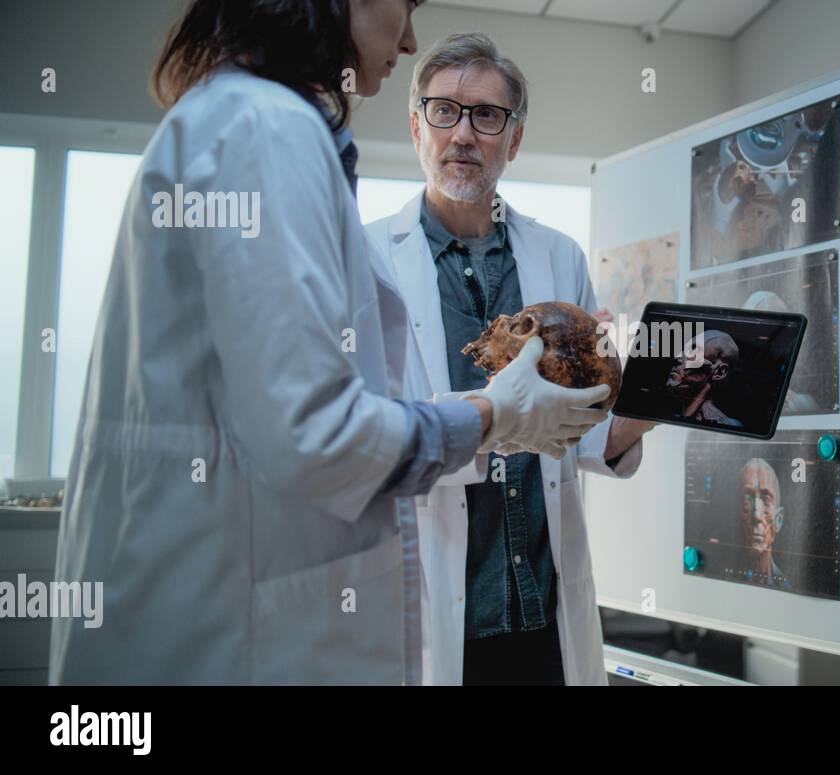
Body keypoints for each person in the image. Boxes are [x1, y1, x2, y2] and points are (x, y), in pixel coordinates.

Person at [49, 0, 607, 686]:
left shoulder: (246, 121)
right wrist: (494, 415)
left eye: (487, 116)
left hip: (254, 604)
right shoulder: (264, 131)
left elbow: (295, 417)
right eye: (405, 6)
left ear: (513, 138)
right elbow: (319, 431)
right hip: (235, 626)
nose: (407, 38)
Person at [366, 33, 654, 685]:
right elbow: (370, 438)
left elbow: (581, 432)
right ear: (416, 128)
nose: (463, 133)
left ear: (514, 140)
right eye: (444, 111)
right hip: (433, 615)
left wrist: (651, 406)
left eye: (487, 116)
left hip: (542, 622)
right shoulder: (368, 261)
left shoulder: (559, 257)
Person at [666, 330, 743, 428]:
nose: (677, 358)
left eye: (693, 352)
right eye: (683, 350)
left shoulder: (723, 425)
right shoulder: (673, 413)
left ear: (719, 372)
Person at [736, 458, 792, 590]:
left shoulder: (785, 587)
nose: (756, 515)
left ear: (778, 520)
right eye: (747, 500)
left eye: (766, 499)